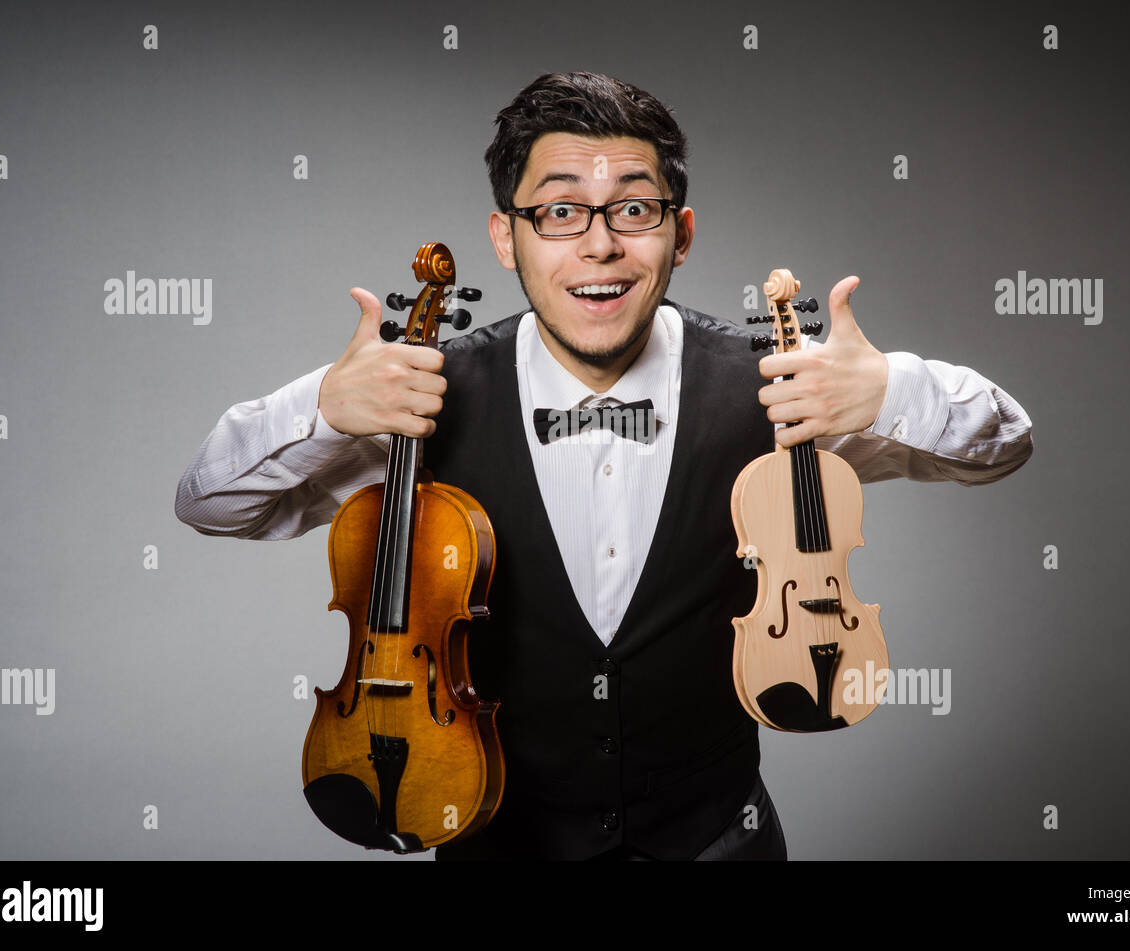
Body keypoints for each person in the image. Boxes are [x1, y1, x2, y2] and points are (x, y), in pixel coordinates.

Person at [175, 71, 1033, 860]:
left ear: (681, 234)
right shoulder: (417, 395)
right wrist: (325, 403)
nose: (598, 246)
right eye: (557, 211)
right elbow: (210, 499)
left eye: (633, 209)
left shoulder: (773, 387)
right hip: (496, 842)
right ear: (507, 239)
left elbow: (1002, 443)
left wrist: (887, 387)